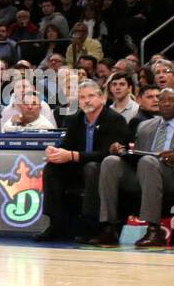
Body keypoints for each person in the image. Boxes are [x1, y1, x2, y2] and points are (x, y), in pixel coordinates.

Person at [37, 79, 129, 243]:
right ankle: (55, 222)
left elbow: (106, 154)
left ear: (101, 98)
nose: (86, 100)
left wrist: (72, 156)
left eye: (91, 96)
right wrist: (54, 152)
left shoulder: (115, 120)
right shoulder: (76, 119)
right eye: (82, 97)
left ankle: (91, 225)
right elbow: (66, 146)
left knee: (92, 168)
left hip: (106, 169)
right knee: (52, 168)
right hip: (79, 165)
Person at [94, 88, 174, 248]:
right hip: (145, 173)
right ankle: (109, 227)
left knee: (148, 161)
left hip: (170, 176)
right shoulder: (144, 126)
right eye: (162, 100)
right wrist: (120, 150)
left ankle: (154, 230)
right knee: (111, 162)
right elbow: (136, 154)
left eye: (171, 100)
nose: (165, 103)